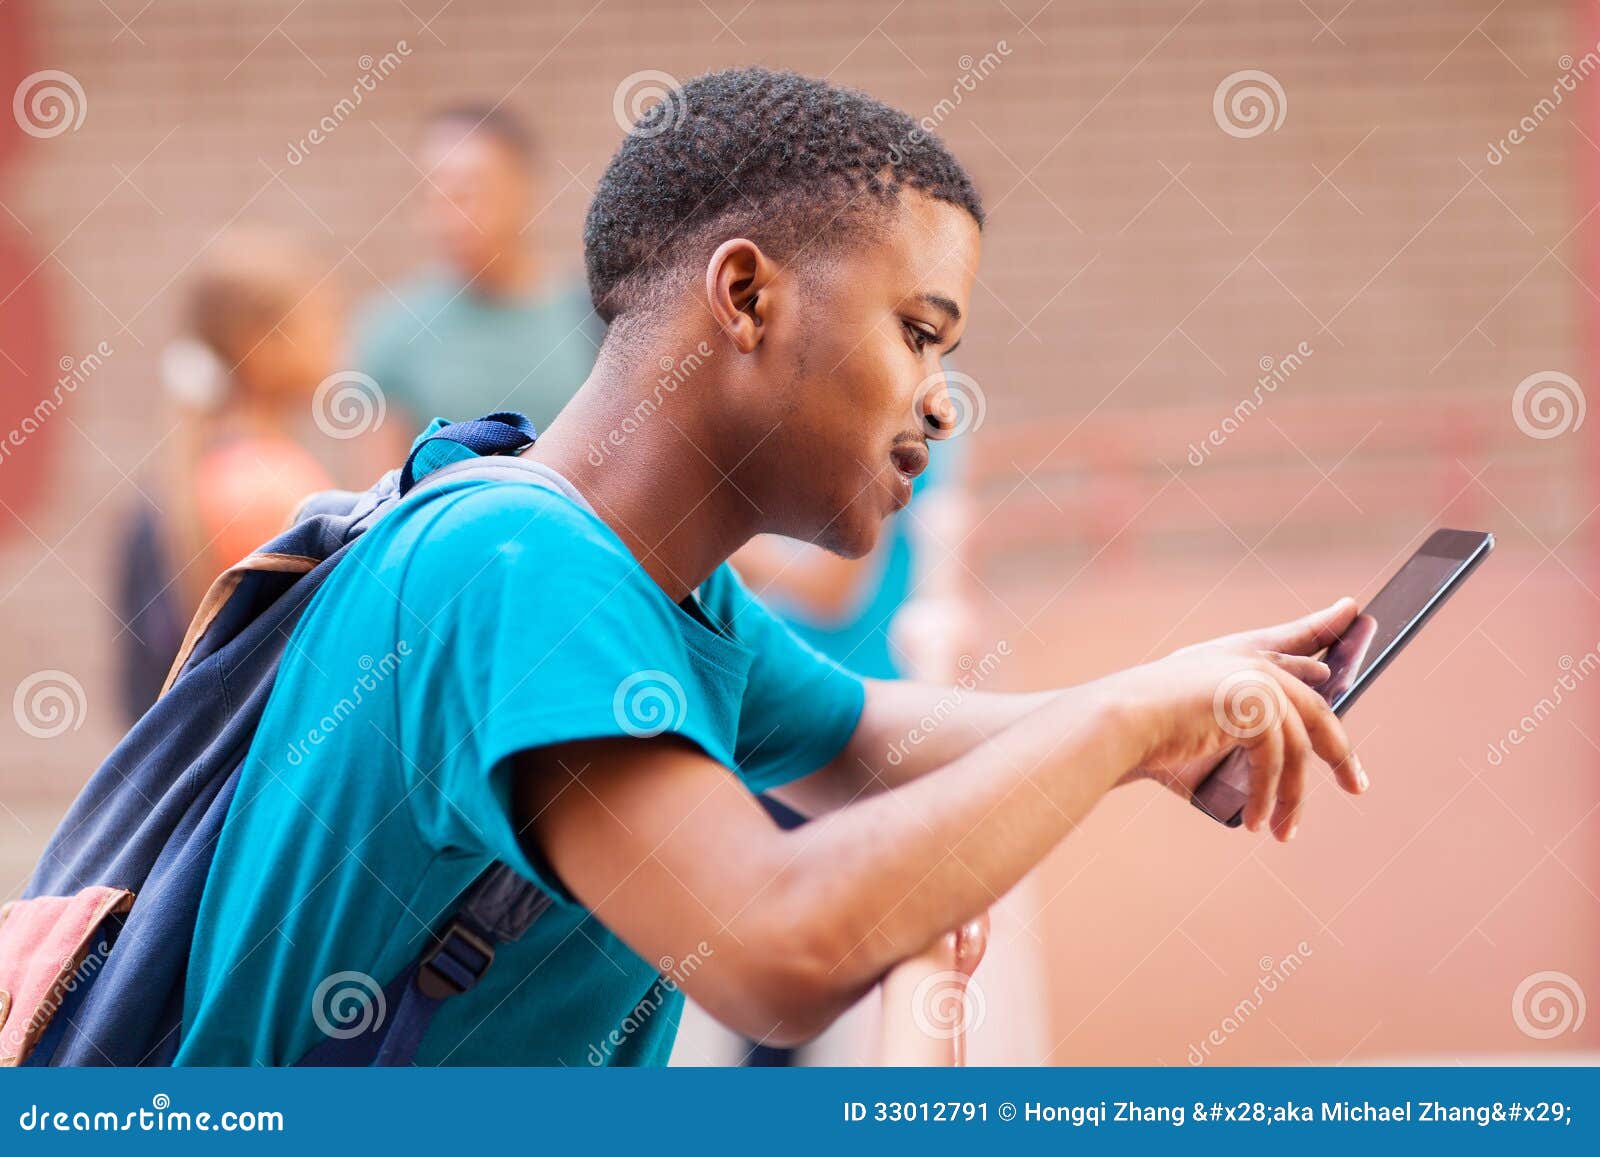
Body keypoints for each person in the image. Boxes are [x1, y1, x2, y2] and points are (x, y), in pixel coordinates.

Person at [173, 68, 1369, 1066]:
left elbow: (865, 739)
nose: (939, 403)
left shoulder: (663, 589)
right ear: (743, 295)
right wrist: (1119, 719)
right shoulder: (523, 569)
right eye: (918, 333)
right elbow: (772, 948)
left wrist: (1170, 704)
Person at [116, 229, 339, 721]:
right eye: (319, 319)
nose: (334, 336)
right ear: (259, 344)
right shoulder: (270, 484)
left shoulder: (188, 475)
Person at [351, 105, 603, 432]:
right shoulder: (392, 331)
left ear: (523, 188)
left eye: (468, 192)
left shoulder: (594, 316)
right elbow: (382, 480)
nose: (451, 216)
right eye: (434, 194)